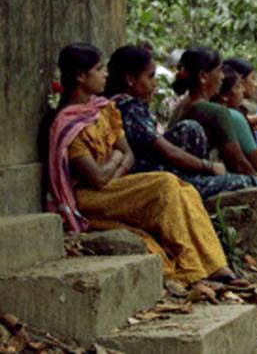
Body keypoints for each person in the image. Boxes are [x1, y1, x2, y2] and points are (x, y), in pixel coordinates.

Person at [45, 43, 243, 286]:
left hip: (115, 184)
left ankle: (216, 265)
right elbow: (96, 178)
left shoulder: (104, 110)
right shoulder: (67, 122)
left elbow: (126, 154)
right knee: (165, 184)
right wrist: (116, 160)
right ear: (80, 76)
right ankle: (193, 271)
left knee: (186, 189)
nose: (105, 74)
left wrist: (115, 162)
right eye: (99, 69)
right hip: (90, 197)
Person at [105, 46, 257, 198]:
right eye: (150, 76)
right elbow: (166, 150)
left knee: (191, 130)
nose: (223, 76)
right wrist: (208, 167)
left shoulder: (133, 106)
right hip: (155, 180)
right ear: (130, 80)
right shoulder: (127, 108)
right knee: (242, 182)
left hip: (169, 173)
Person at [168, 47, 257, 181]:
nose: (223, 76)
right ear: (203, 77)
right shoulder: (214, 111)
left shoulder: (182, 105)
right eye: (219, 71)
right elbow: (240, 165)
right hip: (195, 181)